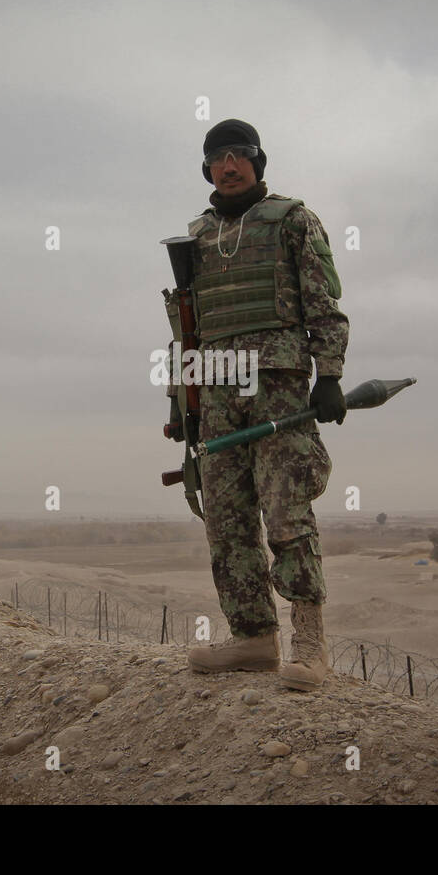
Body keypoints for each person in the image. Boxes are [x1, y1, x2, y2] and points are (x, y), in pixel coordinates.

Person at [171, 119, 349, 691]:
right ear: (207, 169)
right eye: (218, 158)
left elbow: (322, 299)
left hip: (277, 384)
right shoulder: (195, 236)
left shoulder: (293, 219)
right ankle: (252, 638)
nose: (229, 166)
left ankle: (311, 645)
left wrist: (331, 373)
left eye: (239, 155)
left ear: (257, 161)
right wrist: (183, 399)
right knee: (226, 519)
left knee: (286, 511)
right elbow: (186, 326)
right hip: (217, 391)